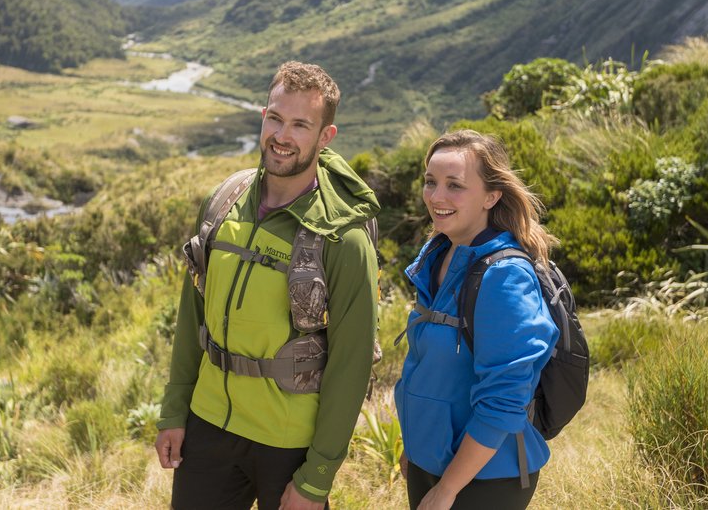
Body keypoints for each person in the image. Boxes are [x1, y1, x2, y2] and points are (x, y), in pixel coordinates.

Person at [154, 61, 381, 510]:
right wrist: (175, 410)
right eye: (276, 118)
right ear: (263, 116)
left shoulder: (344, 238)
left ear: (325, 137)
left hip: (288, 439)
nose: (282, 135)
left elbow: (351, 366)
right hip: (208, 424)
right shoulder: (222, 204)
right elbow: (192, 317)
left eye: (301, 124)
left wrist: (317, 476)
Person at [395, 129, 559, 510]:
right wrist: (416, 447)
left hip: (485, 477)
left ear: (491, 195)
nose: (437, 197)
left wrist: (448, 488)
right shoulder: (438, 254)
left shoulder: (504, 276)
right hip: (431, 460)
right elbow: (430, 368)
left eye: (455, 185)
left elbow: (504, 400)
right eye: (431, 182)